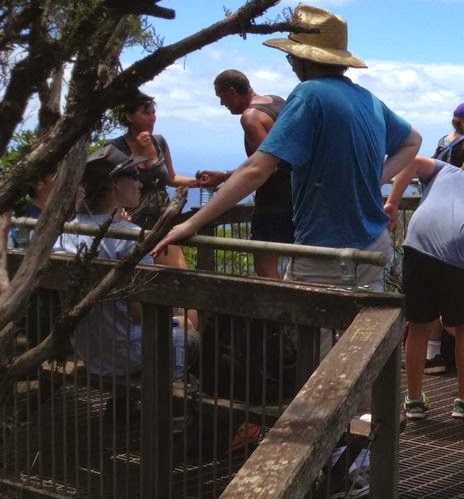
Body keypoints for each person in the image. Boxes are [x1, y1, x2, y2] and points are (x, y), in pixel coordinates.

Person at [157, 5, 422, 292]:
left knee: (319, 334)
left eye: (290, 58)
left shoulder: (309, 94)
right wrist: (375, 178)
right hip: (374, 245)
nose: (292, 65)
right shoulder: (368, 99)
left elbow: (257, 169)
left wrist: (191, 224)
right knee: (364, 331)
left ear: (303, 59)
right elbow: (412, 141)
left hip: (327, 254)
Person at [385, 156, 464, 421]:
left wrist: (393, 202)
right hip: (457, 255)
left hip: (416, 244)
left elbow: (411, 161)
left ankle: (414, 401)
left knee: (418, 325)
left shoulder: (446, 170)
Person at [54, 146, 194, 379]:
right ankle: (174, 392)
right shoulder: (130, 238)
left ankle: (125, 404)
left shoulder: (66, 233)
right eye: (135, 176)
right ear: (114, 183)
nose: (140, 184)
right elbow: (141, 312)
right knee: (186, 330)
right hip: (128, 353)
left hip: (87, 350)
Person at [197, 69, 294, 279]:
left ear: (231, 92)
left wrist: (231, 185)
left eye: (221, 97)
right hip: (300, 193)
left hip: (275, 201)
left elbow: (268, 167)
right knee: (300, 260)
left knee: (265, 265)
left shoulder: (250, 117)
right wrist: (225, 176)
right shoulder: (277, 101)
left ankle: (280, 310)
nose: (222, 104)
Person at [111, 93, 199, 268]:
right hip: (129, 226)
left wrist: (200, 182)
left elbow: (171, 178)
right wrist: (135, 151)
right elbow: (111, 186)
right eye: (146, 113)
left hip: (161, 223)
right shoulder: (114, 148)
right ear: (129, 116)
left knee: (177, 275)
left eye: (153, 113)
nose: (152, 118)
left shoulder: (159, 142)